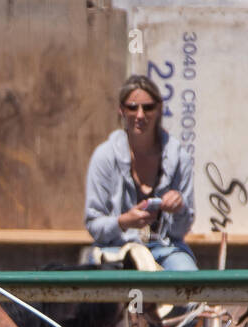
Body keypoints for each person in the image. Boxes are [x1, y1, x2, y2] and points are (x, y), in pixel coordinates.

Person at [84, 75, 196, 271]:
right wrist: (123, 222)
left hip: (166, 249)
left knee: (188, 280)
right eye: (132, 107)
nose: (140, 115)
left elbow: (180, 230)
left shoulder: (179, 158)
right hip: (116, 249)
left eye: (148, 107)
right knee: (109, 289)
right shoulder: (104, 157)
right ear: (121, 109)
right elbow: (94, 224)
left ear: (160, 108)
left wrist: (178, 208)